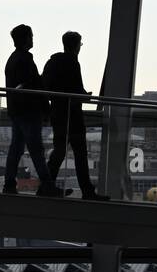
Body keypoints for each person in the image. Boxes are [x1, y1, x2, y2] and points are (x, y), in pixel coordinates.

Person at [42, 31, 109, 201]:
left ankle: (46, 186)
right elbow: (76, 90)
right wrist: (86, 96)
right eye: (80, 44)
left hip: (57, 113)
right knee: (80, 154)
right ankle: (87, 191)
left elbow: (47, 87)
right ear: (76, 45)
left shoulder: (53, 63)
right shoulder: (73, 63)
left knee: (59, 151)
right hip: (73, 115)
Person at [3, 24, 65, 197]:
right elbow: (34, 87)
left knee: (17, 148)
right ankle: (46, 185)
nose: (33, 39)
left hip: (17, 110)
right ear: (26, 39)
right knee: (36, 150)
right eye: (31, 36)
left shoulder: (13, 60)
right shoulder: (25, 60)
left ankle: (10, 184)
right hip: (28, 111)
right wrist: (46, 108)